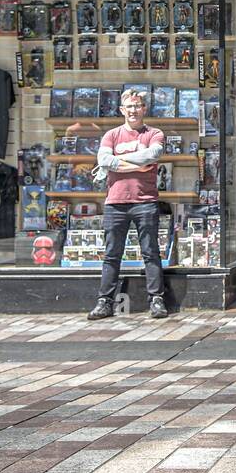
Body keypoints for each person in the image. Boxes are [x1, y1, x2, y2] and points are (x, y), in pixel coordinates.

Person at [87, 90, 168, 320]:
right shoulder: (111, 135)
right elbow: (103, 160)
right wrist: (138, 163)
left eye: (137, 106)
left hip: (145, 202)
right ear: (122, 110)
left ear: (144, 109)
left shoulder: (154, 133)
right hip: (115, 203)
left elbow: (152, 156)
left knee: (151, 253)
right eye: (129, 107)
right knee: (112, 254)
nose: (133, 110)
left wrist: (118, 163)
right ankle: (104, 302)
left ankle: (156, 300)